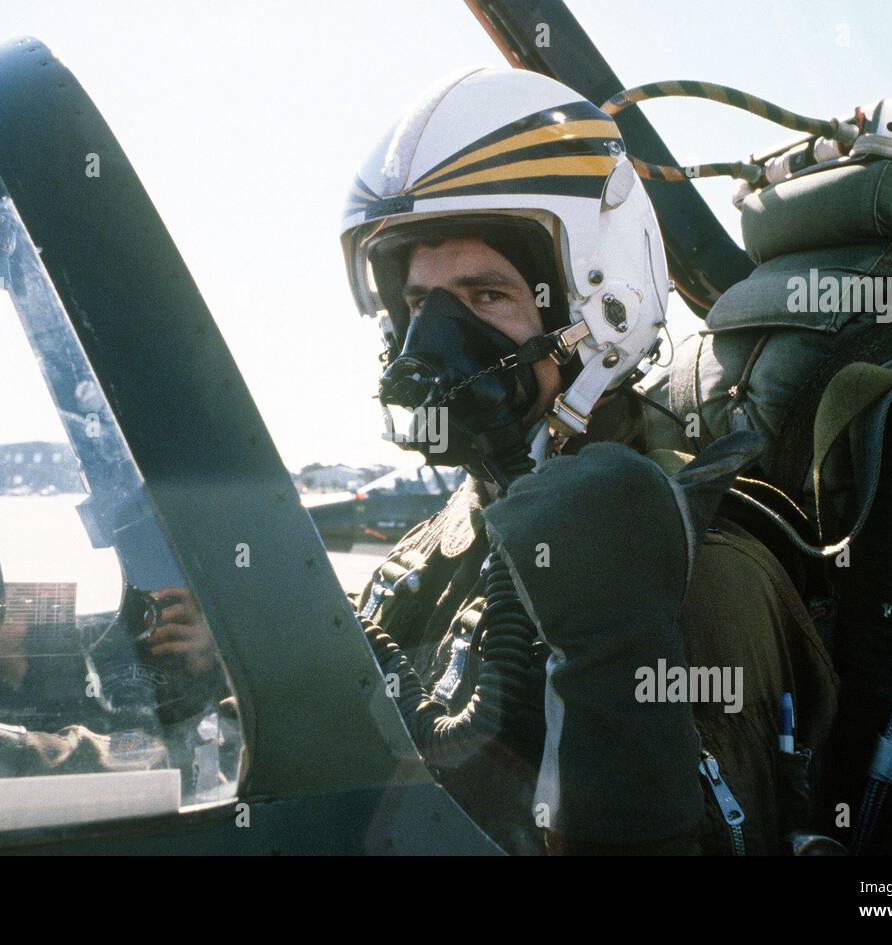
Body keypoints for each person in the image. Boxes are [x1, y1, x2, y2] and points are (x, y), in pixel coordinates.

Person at [341, 67, 838, 854]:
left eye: (484, 297)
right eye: (416, 303)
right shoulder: (447, 533)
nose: (429, 346)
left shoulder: (695, 575)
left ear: (601, 312)